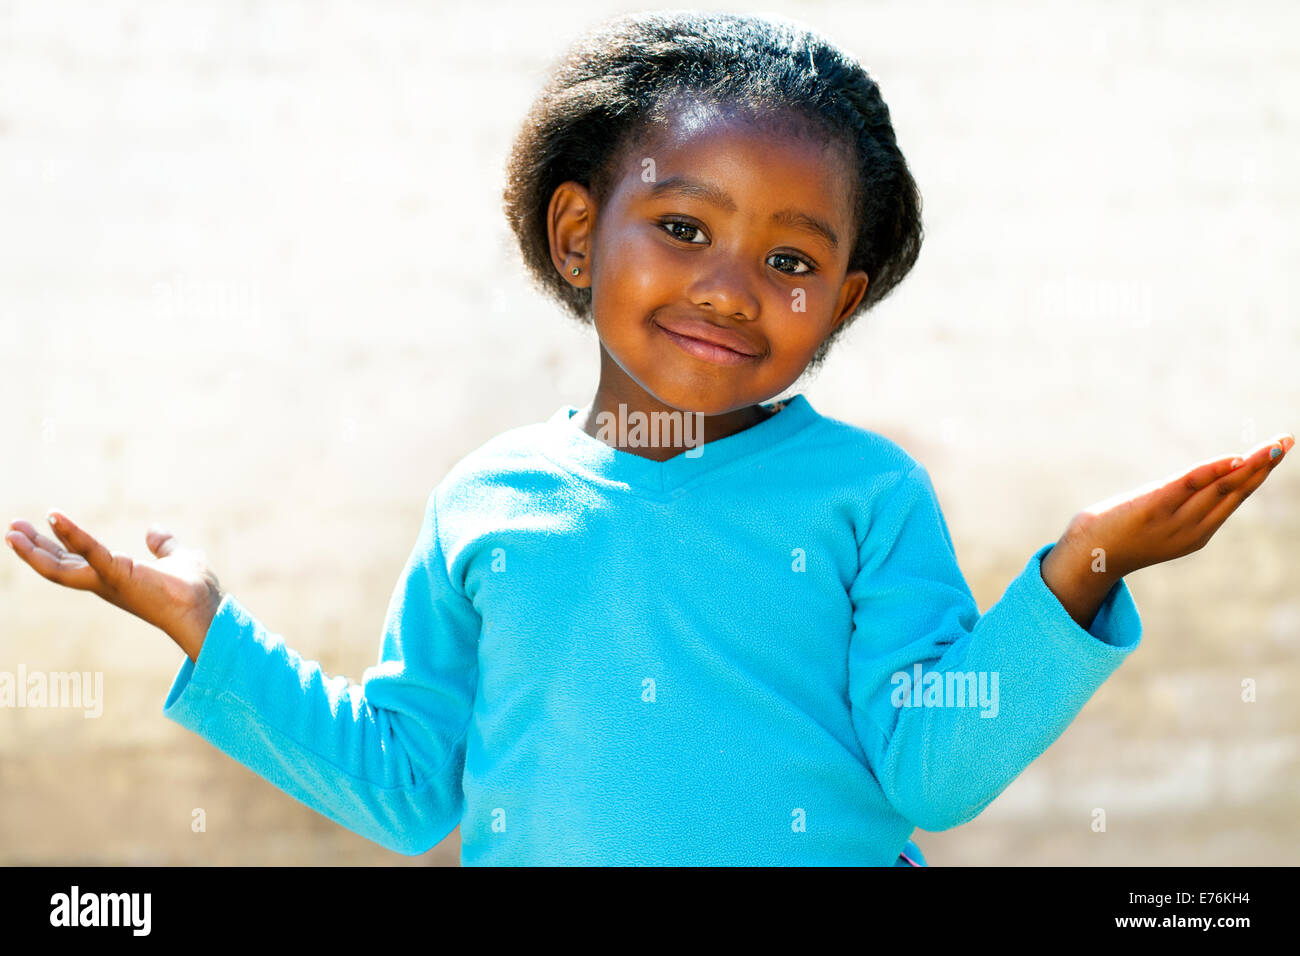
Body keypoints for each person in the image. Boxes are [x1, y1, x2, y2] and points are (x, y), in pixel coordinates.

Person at [5, 11, 1292, 866]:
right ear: (579, 235)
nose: (732, 285)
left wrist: (1082, 567)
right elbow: (408, 784)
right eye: (683, 228)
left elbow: (930, 771)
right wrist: (206, 629)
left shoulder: (866, 496)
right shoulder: (486, 503)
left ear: (842, 298)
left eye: (790, 258)